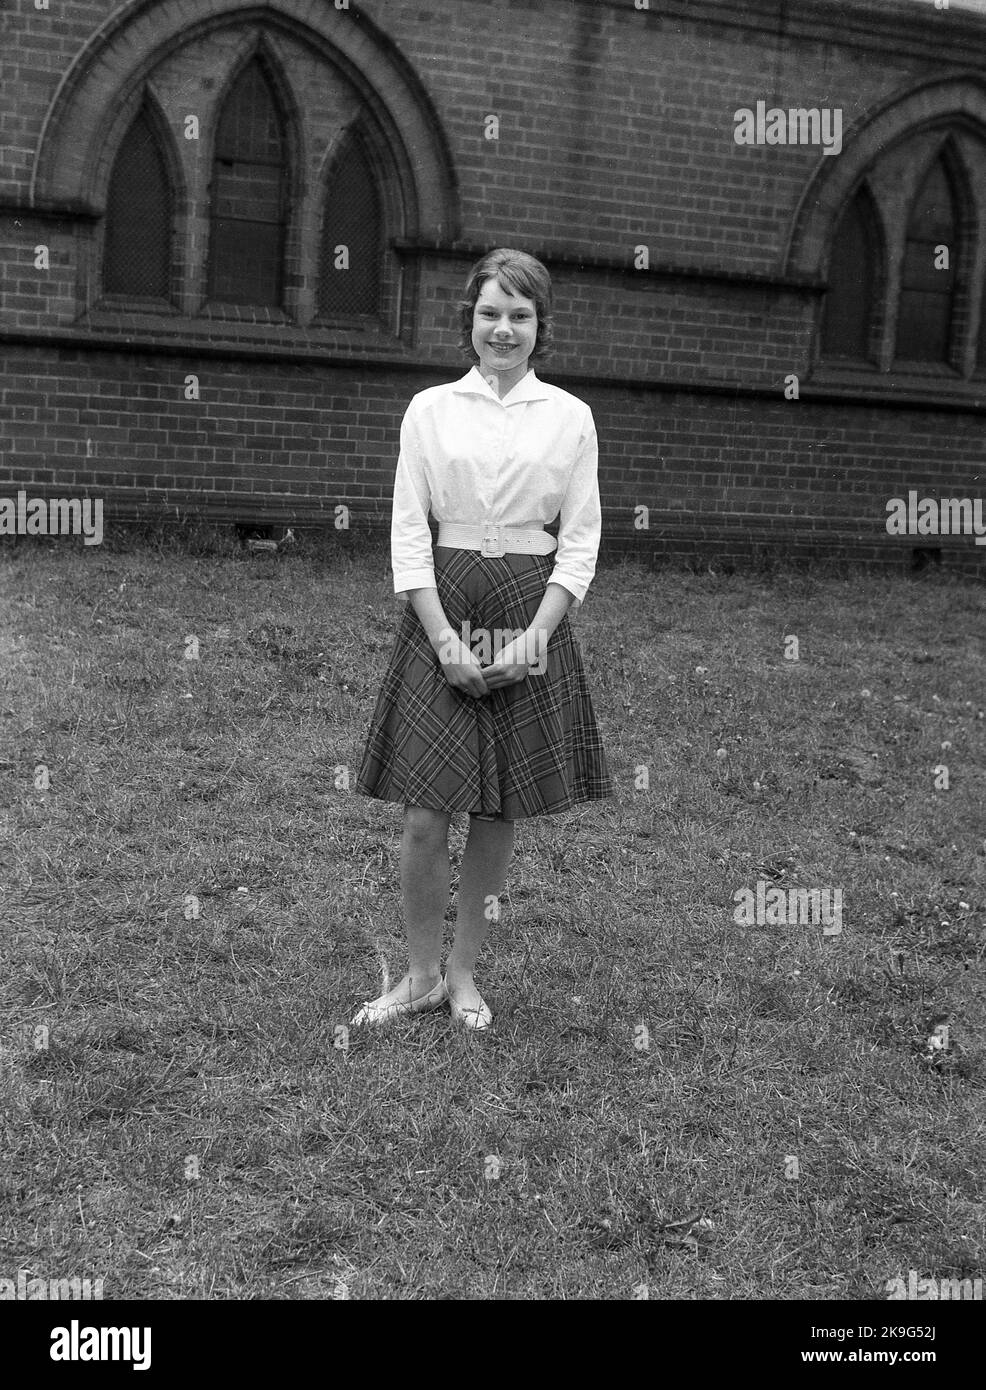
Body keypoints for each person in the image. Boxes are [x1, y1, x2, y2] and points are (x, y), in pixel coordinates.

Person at [353, 247, 612, 1030]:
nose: (504, 329)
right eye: (491, 312)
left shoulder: (571, 418)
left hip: (528, 610)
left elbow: (580, 540)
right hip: (444, 610)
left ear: (541, 327)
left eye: (521, 315)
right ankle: (420, 974)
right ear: (469, 321)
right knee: (428, 813)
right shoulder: (429, 410)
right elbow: (408, 533)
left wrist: (537, 637)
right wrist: (441, 639)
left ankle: (464, 972)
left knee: (497, 807)